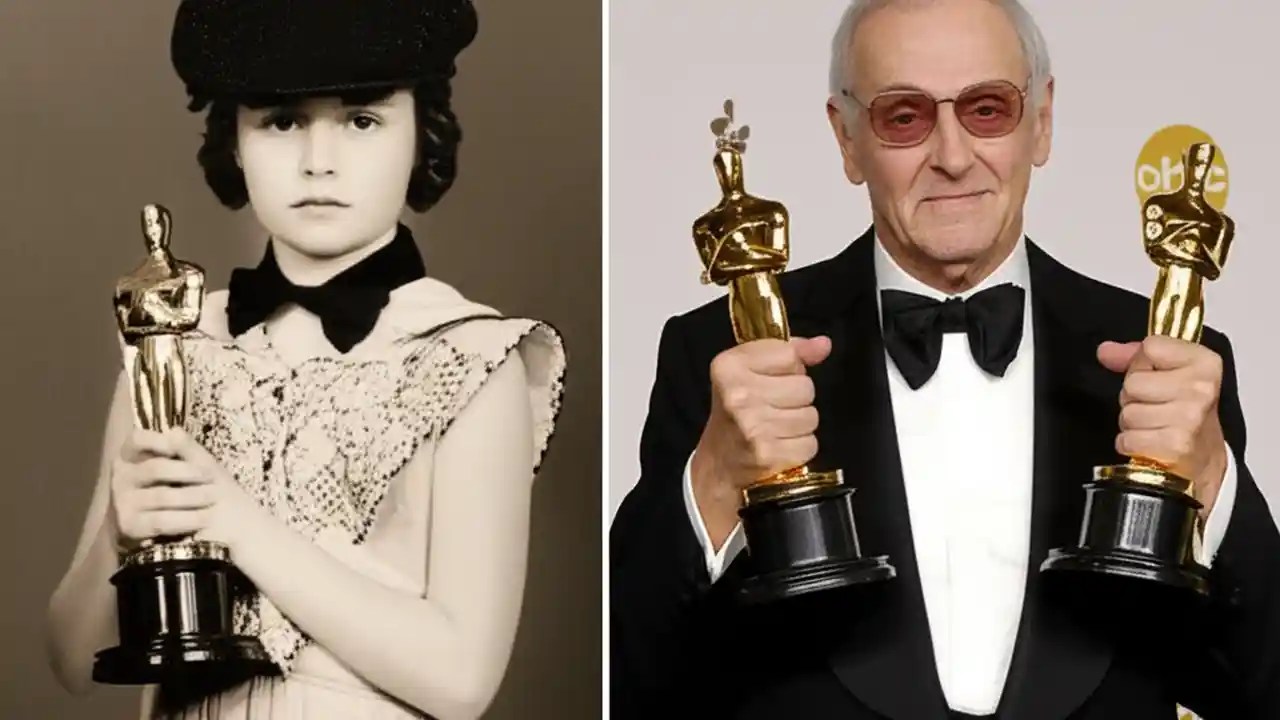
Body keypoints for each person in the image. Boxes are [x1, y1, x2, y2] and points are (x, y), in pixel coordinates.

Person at [609, 0, 1280, 718]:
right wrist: (712, 483)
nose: (953, 157)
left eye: (988, 109)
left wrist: (1212, 482)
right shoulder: (719, 357)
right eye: (905, 116)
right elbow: (629, 678)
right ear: (846, 139)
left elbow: (1256, 688)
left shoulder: (1173, 362)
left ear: (1041, 121)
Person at [45, 1, 567, 718]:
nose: (319, 161)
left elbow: (462, 681)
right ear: (232, 139)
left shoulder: (471, 354)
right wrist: (117, 534)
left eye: (362, 120)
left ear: (423, 134)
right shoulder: (175, 340)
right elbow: (72, 659)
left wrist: (236, 522)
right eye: (281, 120)